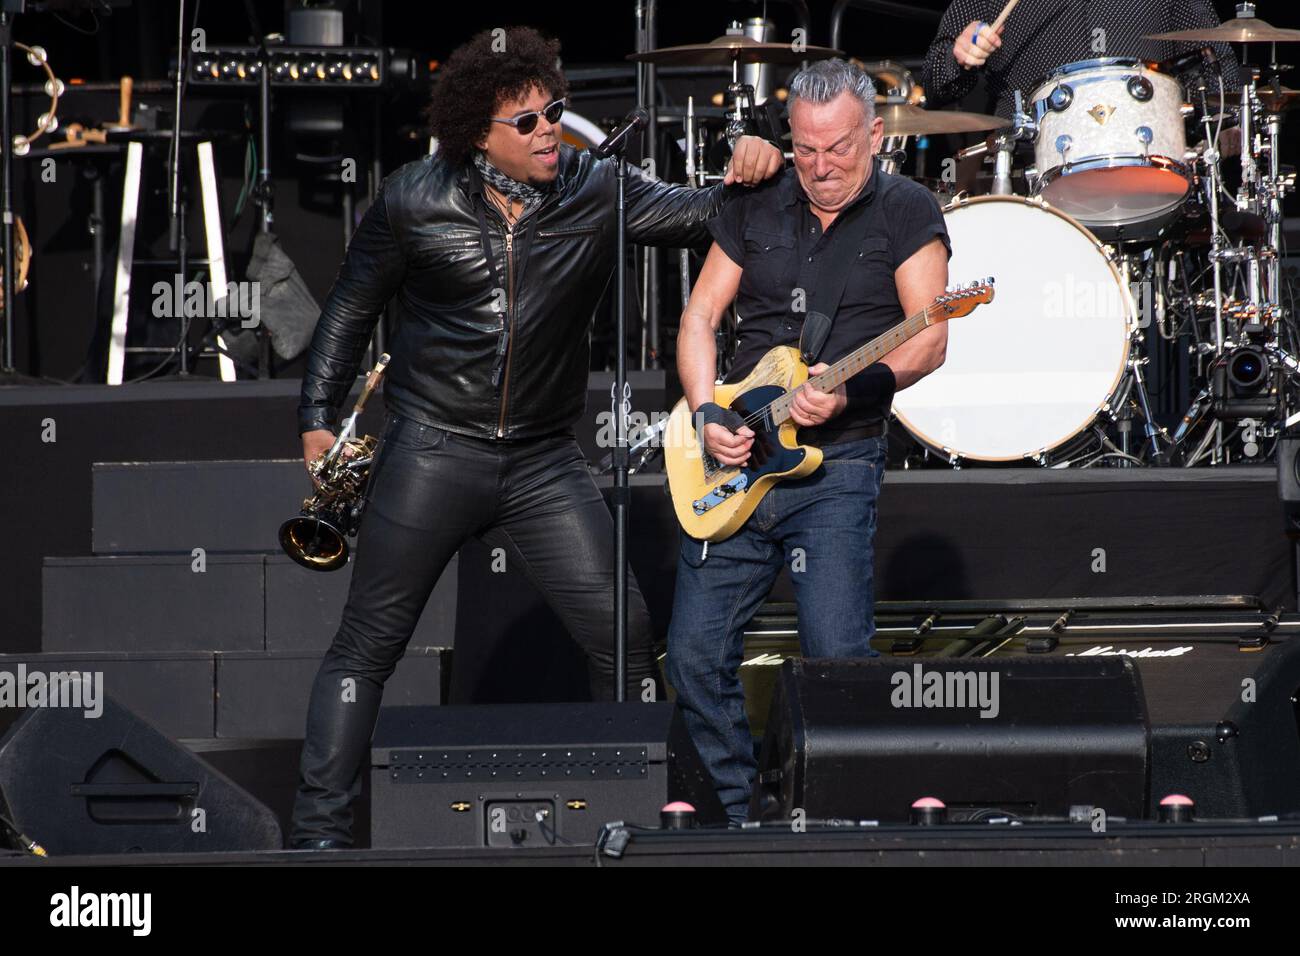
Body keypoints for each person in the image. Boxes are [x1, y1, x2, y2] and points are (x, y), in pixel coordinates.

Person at [289, 26, 784, 849]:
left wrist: (757, 169)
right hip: (432, 445)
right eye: (526, 121)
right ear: (477, 133)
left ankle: (634, 825)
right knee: (366, 646)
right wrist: (315, 419)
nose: (550, 129)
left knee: (622, 636)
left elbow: (705, 214)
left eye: (554, 110)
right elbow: (348, 309)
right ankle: (318, 835)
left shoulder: (596, 186)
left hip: (543, 460)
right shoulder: (414, 196)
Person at [667, 58, 951, 825]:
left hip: (838, 463)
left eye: (841, 150)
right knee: (694, 658)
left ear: (877, 135)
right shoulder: (757, 202)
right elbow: (698, 320)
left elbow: (930, 342)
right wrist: (705, 414)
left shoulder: (907, 209)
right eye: (807, 149)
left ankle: (831, 821)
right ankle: (737, 819)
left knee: (836, 662)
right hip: (736, 458)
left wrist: (850, 391)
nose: (822, 168)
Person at [923, 0, 1241, 118]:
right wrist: (958, 56)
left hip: (1150, 163)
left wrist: (1226, 123)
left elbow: (1216, 65)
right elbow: (934, 84)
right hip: (1030, 176)